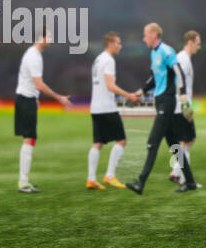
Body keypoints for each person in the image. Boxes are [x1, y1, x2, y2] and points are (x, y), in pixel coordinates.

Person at [127, 22, 198, 194]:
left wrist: (181, 93)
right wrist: (141, 91)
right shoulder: (154, 53)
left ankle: (140, 183)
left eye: (145, 35)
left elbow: (178, 72)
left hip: (167, 102)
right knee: (174, 145)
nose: (144, 38)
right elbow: (153, 79)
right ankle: (190, 182)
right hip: (160, 101)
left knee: (152, 143)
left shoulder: (166, 51)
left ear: (153, 35)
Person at [14, 30, 74, 193]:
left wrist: (35, 98)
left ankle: (24, 181)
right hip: (25, 99)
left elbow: (31, 83)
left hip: (27, 98)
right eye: (49, 37)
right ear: (40, 37)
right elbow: (39, 83)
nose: (51, 40)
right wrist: (59, 97)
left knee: (30, 138)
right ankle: (23, 183)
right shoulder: (34, 56)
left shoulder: (33, 54)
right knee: (30, 138)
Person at [86, 32, 139, 190]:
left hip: (95, 107)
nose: (120, 46)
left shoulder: (98, 59)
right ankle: (110, 175)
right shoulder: (108, 60)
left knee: (98, 143)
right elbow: (110, 85)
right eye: (118, 43)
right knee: (121, 140)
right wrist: (129, 95)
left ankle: (91, 179)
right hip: (107, 107)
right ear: (110, 43)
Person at [169, 30, 201, 186]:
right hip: (181, 106)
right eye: (198, 43)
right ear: (190, 42)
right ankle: (183, 177)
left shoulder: (183, 58)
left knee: (188, 141)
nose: (199, 47)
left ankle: (176, 172)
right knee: (186, 142)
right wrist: (186, 106)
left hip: (180, 105)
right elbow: (178, 83)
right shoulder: (183, 59)